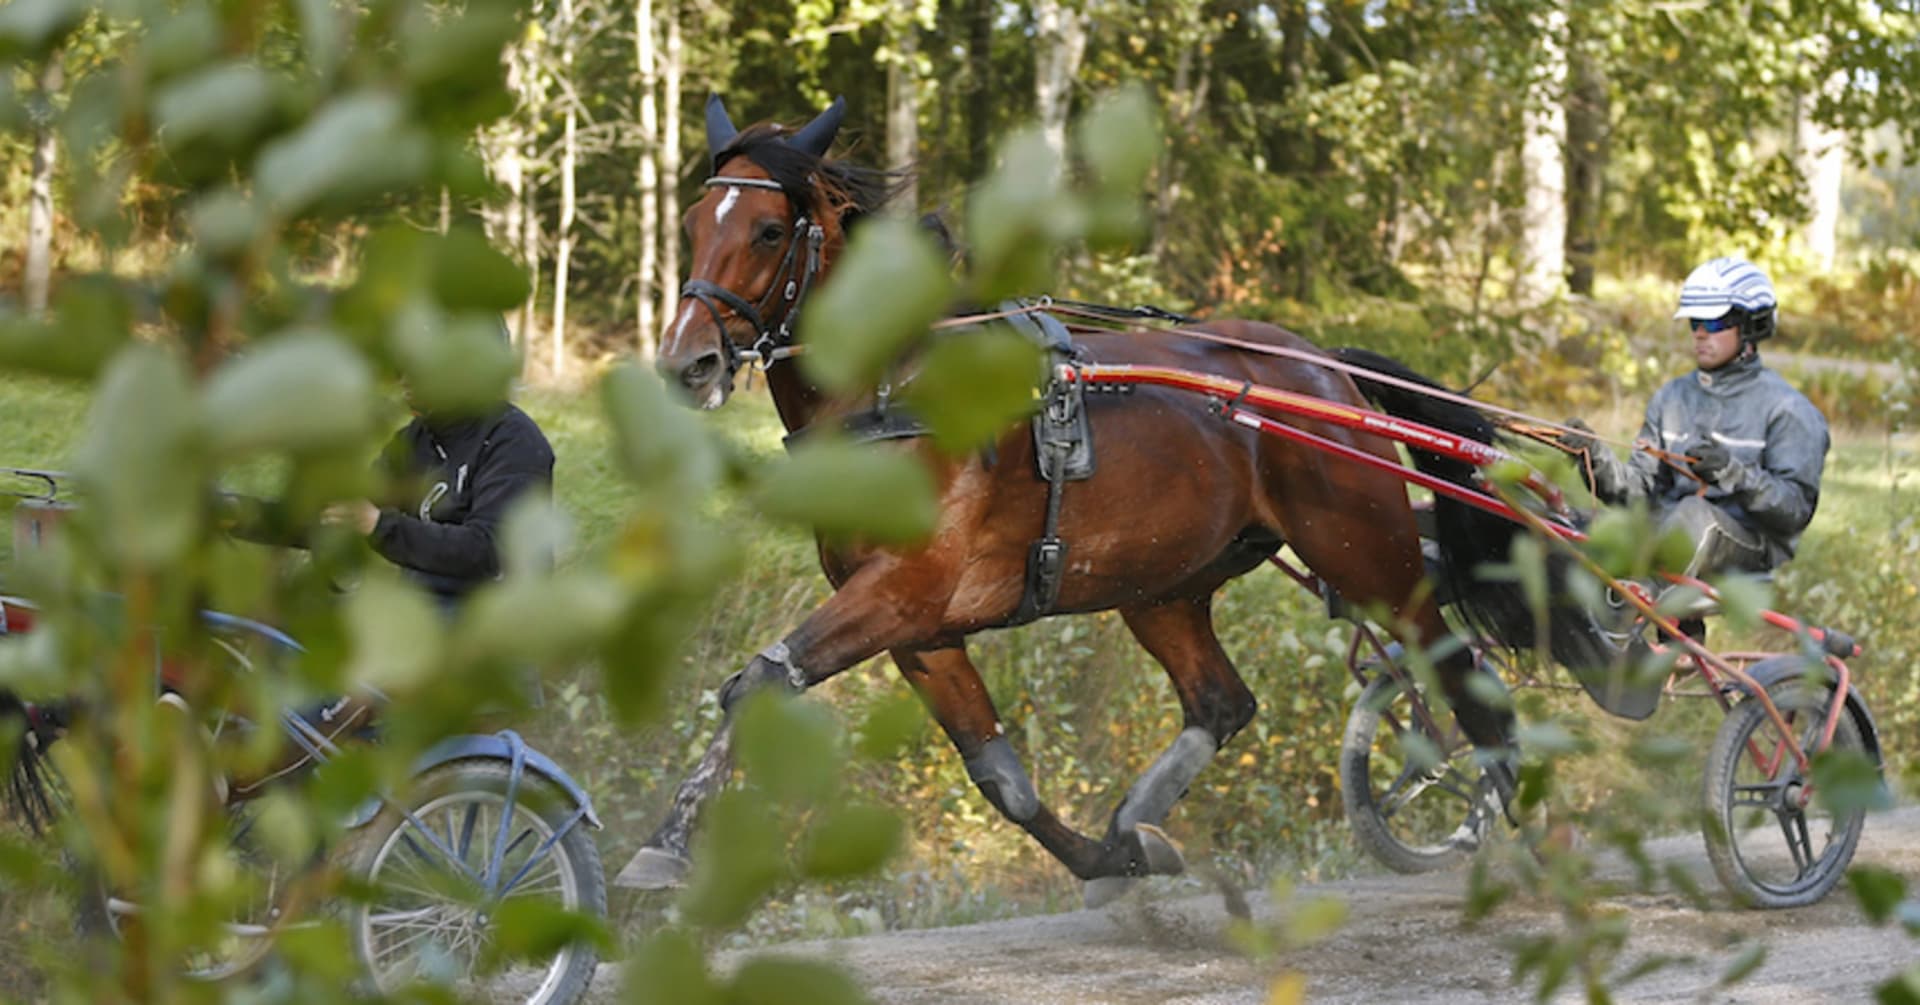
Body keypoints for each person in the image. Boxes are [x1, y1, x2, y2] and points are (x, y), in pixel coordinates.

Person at [1566, 256, 1829, 580]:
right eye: (1695, 323)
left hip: (1749, 545)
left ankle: (1626, 615)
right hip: (1670, 528)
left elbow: (1794, 512)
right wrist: (1594, 456)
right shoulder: (1672, 397)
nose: (1700, 334)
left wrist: (1732, 473)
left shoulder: (1788, 409)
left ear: (1751, 326)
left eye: (1714, 323)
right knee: (1569, 525)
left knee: (1694, 515)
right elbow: (1639, 493)